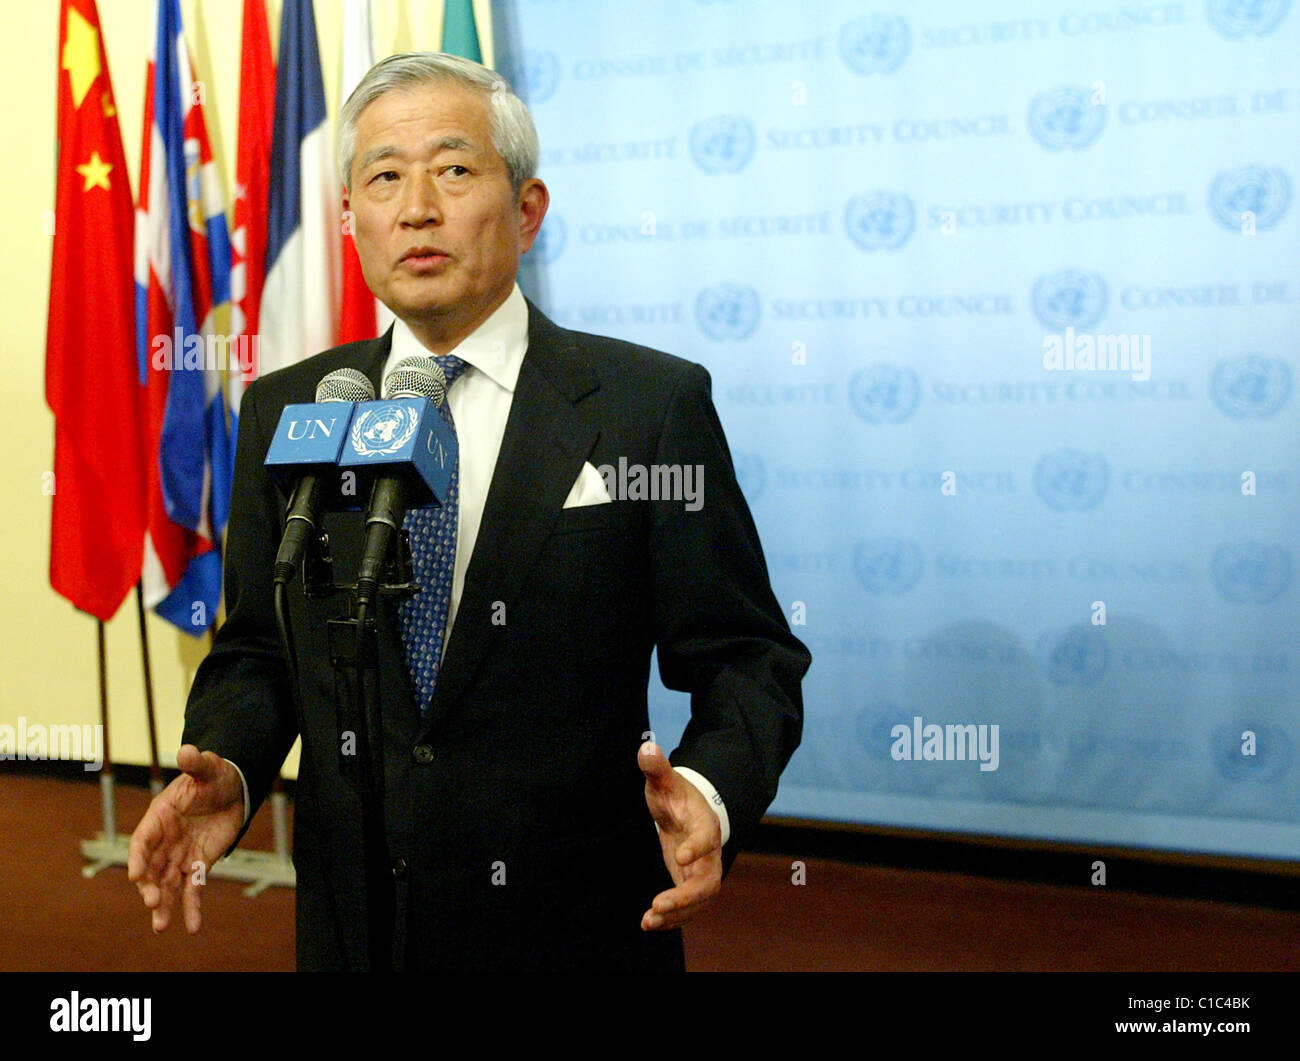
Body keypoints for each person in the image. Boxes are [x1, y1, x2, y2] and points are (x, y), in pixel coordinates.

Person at [128, 51, 809, 972]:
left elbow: (745, 657)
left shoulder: (645, 408)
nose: (417, 207)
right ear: (349, 219)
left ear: (527, 210)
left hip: (573, 924)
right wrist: (235, 766)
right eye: (383, 178)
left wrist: (710, 789)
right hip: (358, 924)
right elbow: (258, 648)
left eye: (453, 169)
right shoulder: (295, 409)